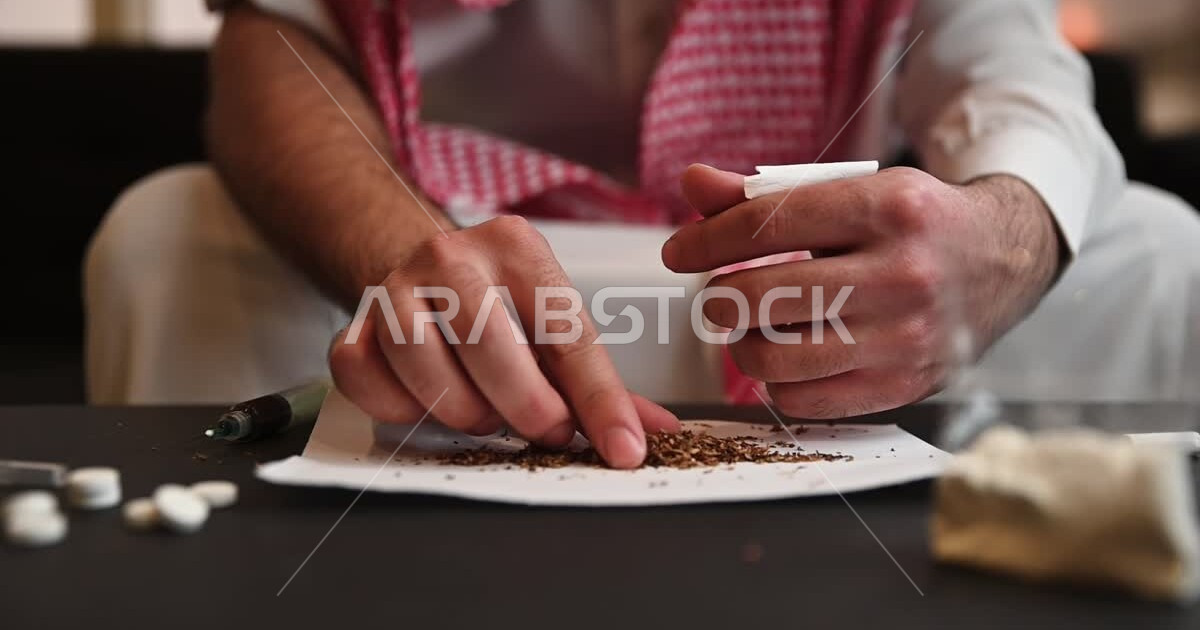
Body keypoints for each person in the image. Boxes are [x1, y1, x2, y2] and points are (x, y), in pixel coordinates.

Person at [85, 0, 1200, 468]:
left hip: (805, 292)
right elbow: (274, 43)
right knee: (168, 234)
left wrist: (996, 248)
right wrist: (398, 259)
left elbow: (1021, 84)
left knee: (1156, 251)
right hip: (430, 263)